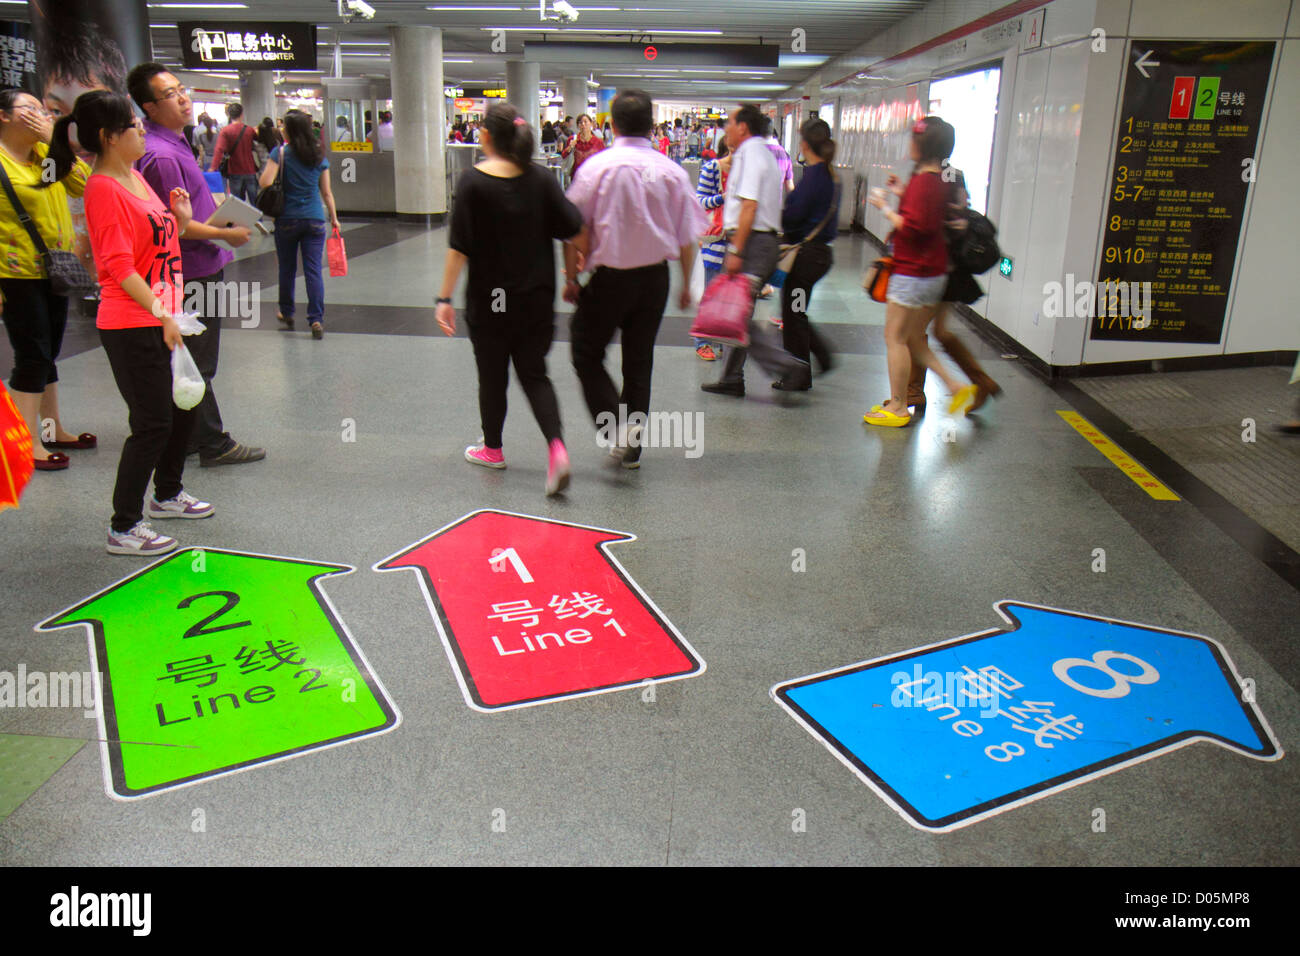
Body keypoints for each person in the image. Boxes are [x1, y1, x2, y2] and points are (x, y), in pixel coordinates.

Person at [49, 90, 214, 554]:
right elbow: (120, 268)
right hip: (132, 321)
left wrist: (179, 219)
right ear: (108, 136)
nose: (143, 129)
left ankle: (168, 494)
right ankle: (123, 526)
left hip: (164, 312)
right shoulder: (103, 188)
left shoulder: (137, 177)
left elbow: (157, 247)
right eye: (133, 125)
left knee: (185, 407)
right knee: (152, 422)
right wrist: (163, 315)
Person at [436, 103, 582, 496]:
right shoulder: (541, 179)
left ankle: (493, 448)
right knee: (534, 374)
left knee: (492, 375)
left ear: (485, 136)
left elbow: (458, 249)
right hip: (535, 299)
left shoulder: (471, 183)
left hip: (490, 302)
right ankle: (556, 448)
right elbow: (574, 229)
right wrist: (575, 276)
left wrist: (444, 297)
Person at [128, 63, 265, 469]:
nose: (183, 98)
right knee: (197, 359)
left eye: (181, 89)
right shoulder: (162, 155)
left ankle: (184, 435)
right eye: (171, 94)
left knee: (191, 354)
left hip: (198, 262)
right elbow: (172, 225)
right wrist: (226, 234)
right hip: (192, 268)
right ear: (149, 107)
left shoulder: (173, 143)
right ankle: (211, 442)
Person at [563, 89, 706, 469]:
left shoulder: (595, 167)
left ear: (612, 125)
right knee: (639, 363)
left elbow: (570, 225)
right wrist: (687, 284)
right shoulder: (672, 172)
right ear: (651, 126)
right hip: (655, 280)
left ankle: (616, 427)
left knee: (585, 350)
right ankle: (632, 449)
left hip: (610, 279)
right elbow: (688, 235)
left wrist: (572, 275)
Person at [0, 89, 92, 472]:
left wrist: (54, 141)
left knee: (48, 352)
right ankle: (25, 443)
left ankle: (52, 430)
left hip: (54, 267)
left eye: (43, 109)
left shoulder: (45, 158)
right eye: (30, 109)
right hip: (14, 273)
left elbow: (83, 184)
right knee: (32, 353)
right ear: (3, 116)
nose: (40, 113)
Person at [863, 116, 975, 427]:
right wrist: (902, 193)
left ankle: (898, 406)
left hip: (914, 272)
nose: (909, 143)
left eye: (913, 138)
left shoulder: (925, 182)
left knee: (894, 337)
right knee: (912, 339)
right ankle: (956, 387)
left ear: (922, 145)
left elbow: (913, 227)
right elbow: (927, 215)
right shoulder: (939, 179)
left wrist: (883, 207)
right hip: (932, 272)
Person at [701, 104, 807, 398]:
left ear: (743, 128)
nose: (725, 129)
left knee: (735, 316)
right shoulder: (762, 154)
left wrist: (736, 250)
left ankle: (787, 366)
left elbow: (749, 205)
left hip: (752, 244)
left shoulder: (750, 155)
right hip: (757, 241)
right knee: (737, 312)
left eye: (729, 124)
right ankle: (732, 378)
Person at [893, 167, 1001, 414]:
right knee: (938, 331)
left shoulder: (935, 176)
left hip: (940, 270)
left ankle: (915, 391)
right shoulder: (951, 174)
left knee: (914, 332)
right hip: (949, 271)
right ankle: (981, 381)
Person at [259, 110, 340, 341]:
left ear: (289, 129)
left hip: (287, 219)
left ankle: (286, 311)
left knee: (287, 268)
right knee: (313, 270)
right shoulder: (318, 155)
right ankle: (316, 319)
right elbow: (326, 192)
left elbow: (265, 181)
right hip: (315, 219)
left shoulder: (281, 153)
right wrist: (334, 217)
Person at [773, 117, 840, 390]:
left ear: (805, 144)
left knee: (794, 314)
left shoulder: (813, 177)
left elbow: (793, 216)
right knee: (795, 311)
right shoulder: (831, 175)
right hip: (819, 256)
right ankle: (811, 364)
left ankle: (803, 371)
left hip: (804, 261)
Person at [693, 137, 730, 362]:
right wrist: (722, 198)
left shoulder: (750, 173)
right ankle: (703, 341)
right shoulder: (712, 169)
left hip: (740, 243)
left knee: (731, 297)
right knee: (711, 294)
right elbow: (699, 201)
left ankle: (724, 339)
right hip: (717, 239)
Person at [210, 102, 258, 203]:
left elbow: (219, 150)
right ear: (242, 114)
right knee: (255, 201)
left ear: (229, 114)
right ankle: (257, 219)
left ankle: (238, 219)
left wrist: (213, 167)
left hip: (235, 170)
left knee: (236, 202)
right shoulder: (249, 130)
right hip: (250, 169)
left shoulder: (225, 131)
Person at [561, 114, 604, 180]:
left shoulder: (598, 142)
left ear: (591, 124)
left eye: (585, 122)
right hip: (576, 178)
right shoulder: (572, 139)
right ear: (578, 126)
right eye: (580, 123)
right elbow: (563, 156)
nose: (583, 124)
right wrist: (570, 147)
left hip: (593, 178)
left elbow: (603, 161)